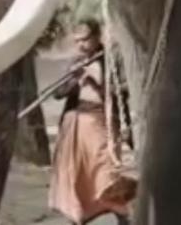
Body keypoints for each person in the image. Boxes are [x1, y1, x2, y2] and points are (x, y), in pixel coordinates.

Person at [49, 20, 137, 225]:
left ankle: (124, 217)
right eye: (77, 41)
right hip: (76, 125)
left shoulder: (111, 60)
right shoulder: (76, 61)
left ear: (97, 37)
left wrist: (98, 79)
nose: (81, 45)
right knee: (78, 176)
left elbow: (124, 90)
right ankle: (78, 217)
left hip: (101, 124)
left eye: (85, 40)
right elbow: (57, 94)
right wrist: (73, 79)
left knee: (107, 174)